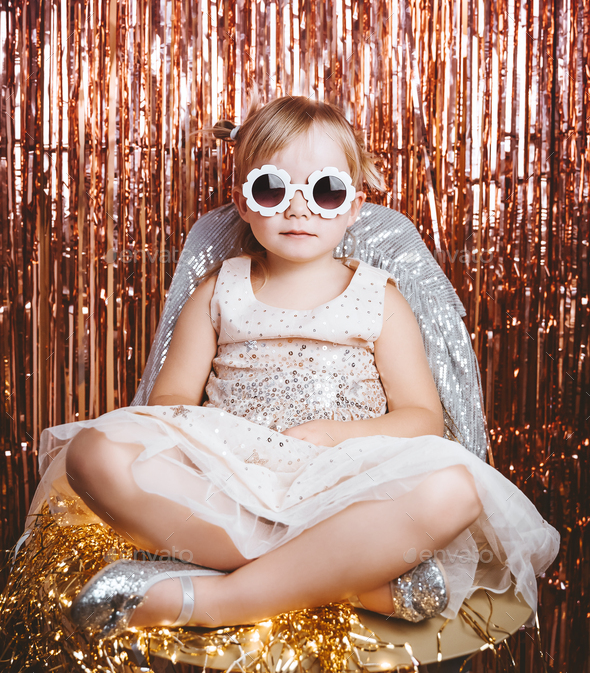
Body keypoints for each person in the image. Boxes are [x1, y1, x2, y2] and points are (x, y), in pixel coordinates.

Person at [27, 97, 560, 640]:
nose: (299, 209)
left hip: (350, 483)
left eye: (325, 191)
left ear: (353, 207)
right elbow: (168, 403)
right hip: (231, 483)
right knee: (93, 454)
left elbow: (423, 417)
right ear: (243, 202)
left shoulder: (380, 298)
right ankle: (344, 577)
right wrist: (225, 442)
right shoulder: (220, 289)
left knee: (457, 490)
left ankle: (220, 597)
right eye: (272, 189)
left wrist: (335, 436)